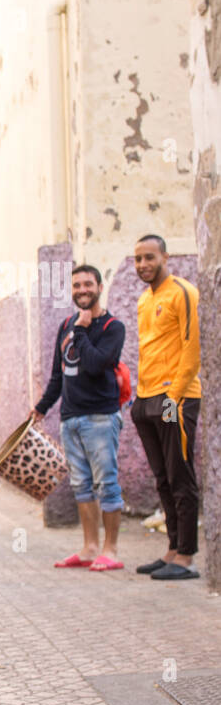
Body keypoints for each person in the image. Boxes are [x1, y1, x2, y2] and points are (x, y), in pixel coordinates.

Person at [29, 264, 127, 571]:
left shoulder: (113, 326)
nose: (82, 290)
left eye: (88, 284)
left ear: (99, 287)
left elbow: (98, 364)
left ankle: (110, 550)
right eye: (76, 285)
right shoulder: (65, 325)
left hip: (100, 417)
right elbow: (59, 375)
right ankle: (89, 547)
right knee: (81, 485)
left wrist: (82, 330)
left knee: (106, 484)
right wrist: (42, 407)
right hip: (70, 418)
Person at [129, 235, 202, 581]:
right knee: (162, 479)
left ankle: (186, 556)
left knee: (180, 475)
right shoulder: (145, 300)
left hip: (176, 399)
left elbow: (191, 349)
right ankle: (171, 549)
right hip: (146, 401)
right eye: (138, 259)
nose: (143, 264)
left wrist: (173, 397)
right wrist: (140, 401)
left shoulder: (182, 292)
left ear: (165, 257)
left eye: (149, 258)